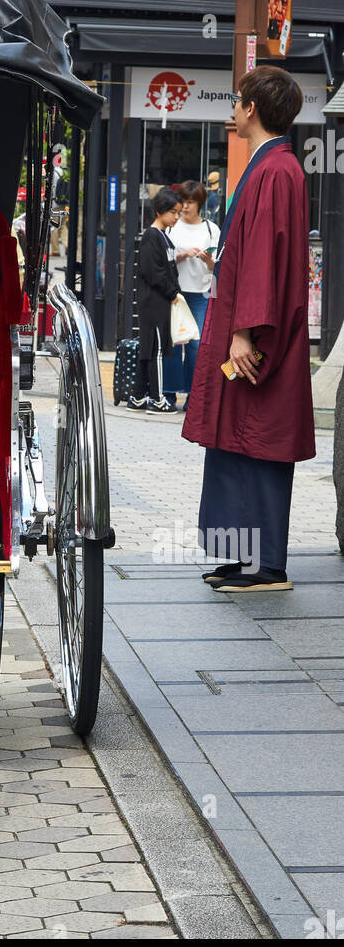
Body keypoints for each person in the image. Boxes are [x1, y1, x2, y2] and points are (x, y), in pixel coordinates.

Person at [183, 67, 314, 592]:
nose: (232, 109)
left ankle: (267, 565)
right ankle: (240, 558)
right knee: (233, 441)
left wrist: (246, 332)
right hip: (245, 323)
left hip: (258, 334)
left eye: (237, 101)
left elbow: (265, 257)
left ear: (253, 109)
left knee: (258, 440)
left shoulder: (277, 171)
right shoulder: (270, 167)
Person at [128, 187, 182, 414]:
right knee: (157, 350)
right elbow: (154, 272)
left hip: (155, 300)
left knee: (148, 349)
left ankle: (138, 397)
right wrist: (173, 293)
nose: (177, 217)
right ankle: (157, 399)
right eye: (174, 212)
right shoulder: (153, 236)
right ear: (160, 211)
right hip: (155, 301)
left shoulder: (160, 236)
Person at [167, 180, 220, 411]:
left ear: (199, 203)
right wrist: (181, 256)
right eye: (183, 202)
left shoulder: (211, 229)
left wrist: (209, 262)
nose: (186, 207)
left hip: (201, 293)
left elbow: (217, 267)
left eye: (190, 202)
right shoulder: (171, 227)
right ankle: (168, 395)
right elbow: (163, 260)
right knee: (174, 344)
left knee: (196, 347)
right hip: (175, 293)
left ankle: (193, 396)